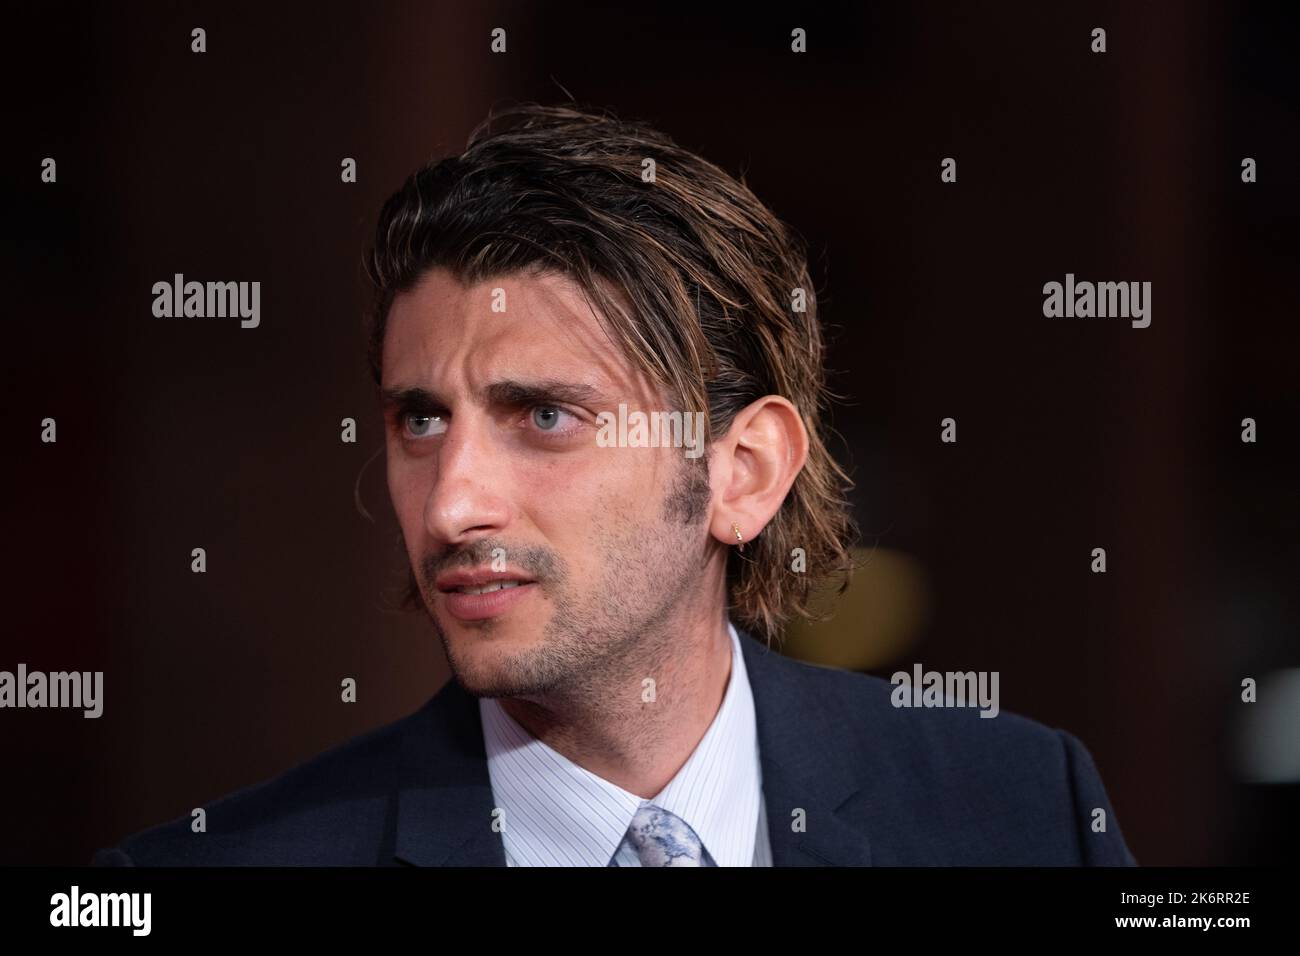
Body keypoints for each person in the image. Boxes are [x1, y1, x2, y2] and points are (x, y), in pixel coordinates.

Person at [93, 102, 1136, 867]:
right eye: (421, 418)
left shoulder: (1018, 809)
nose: (451, 504)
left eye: (545, 415)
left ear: (744, 470)